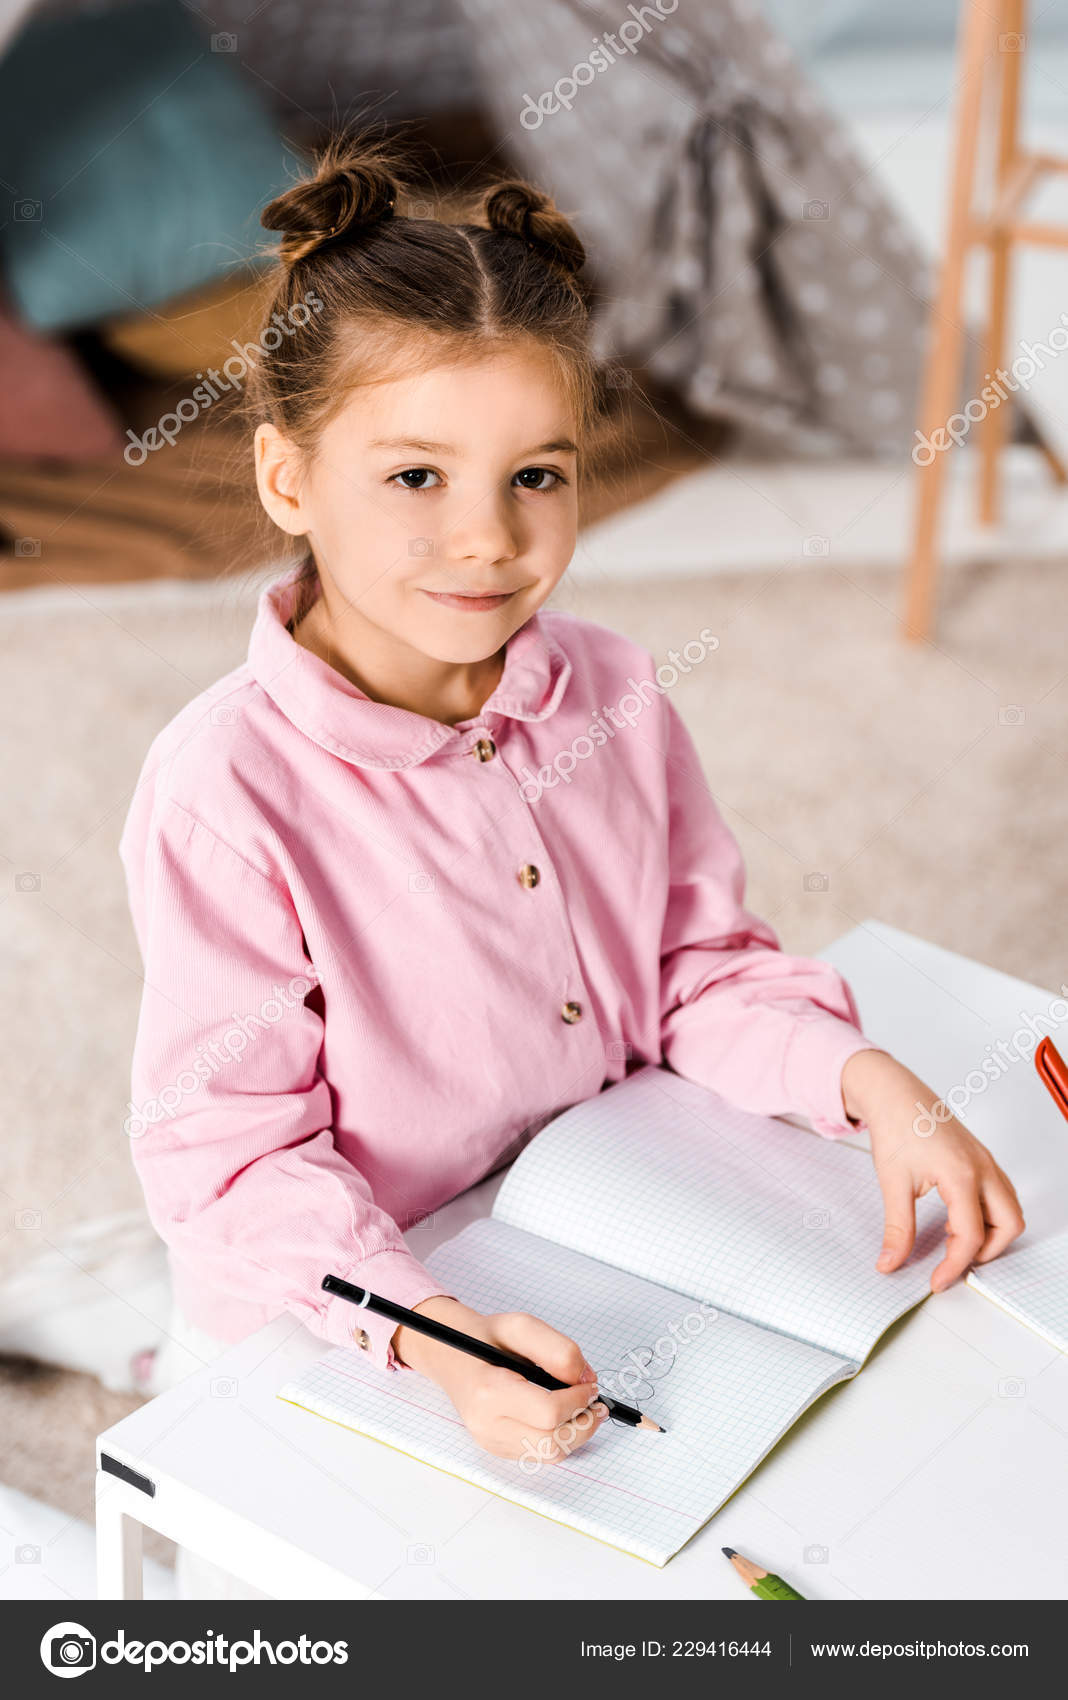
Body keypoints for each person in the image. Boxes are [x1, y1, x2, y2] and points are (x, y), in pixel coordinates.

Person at [119, 131, 1025, 1598]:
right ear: (287, 479)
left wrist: (869, 1082)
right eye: (414, 474)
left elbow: (696, 966)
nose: (486, 539)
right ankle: (132, 1333)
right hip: (359, 1307)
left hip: (598, 1218)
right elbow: (230, 1161)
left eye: (535, 473)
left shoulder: (608, 686)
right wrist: (429, 1330)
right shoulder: (223, 792)